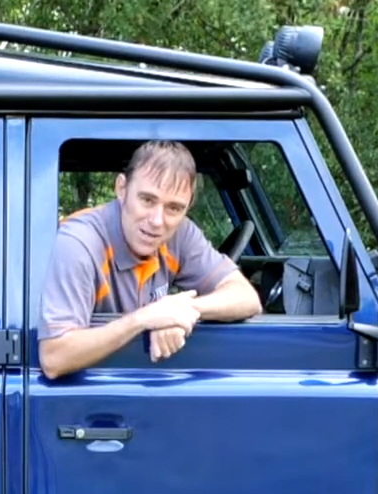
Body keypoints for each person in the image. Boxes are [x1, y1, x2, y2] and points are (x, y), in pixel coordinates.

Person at [38, 141, 261, 378]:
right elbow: (54, 358)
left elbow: (247, 299)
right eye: (147, 200)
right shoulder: (80, 243)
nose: (157, 220)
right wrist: (143, 319)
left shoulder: (180, 233)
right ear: (121, 189)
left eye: (174, 208)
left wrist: (179, 311)